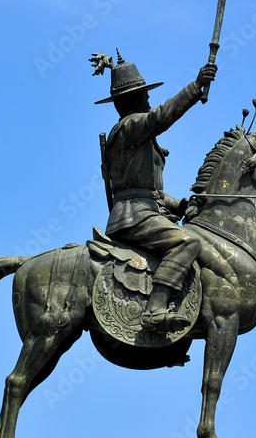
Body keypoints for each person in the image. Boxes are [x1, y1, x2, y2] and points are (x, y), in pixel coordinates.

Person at [91, 51, 217, 332]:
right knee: (189, 243)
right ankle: (155, 312)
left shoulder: (134, 135)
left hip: (144, 209)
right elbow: (161, 117)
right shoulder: (131, 126)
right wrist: (195, 87)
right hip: (134, 216)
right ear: (133, 101)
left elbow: (152, 193)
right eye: (144, 96)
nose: (148, 101)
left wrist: (180, 205)